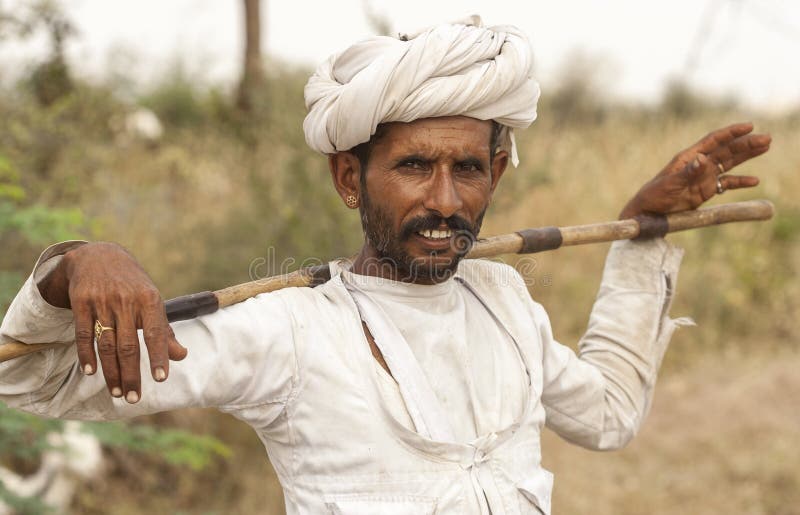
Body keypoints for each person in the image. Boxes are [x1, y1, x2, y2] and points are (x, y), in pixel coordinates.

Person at [0, 17, 770, 514]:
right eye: (413, 167)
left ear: (496, 176)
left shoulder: (504, 301)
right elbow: (28, 377)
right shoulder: (290, 331)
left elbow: (607, 416)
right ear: (348, 178)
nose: (444, 201)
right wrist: (76, 264)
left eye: (468, 169)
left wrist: (644, 231)